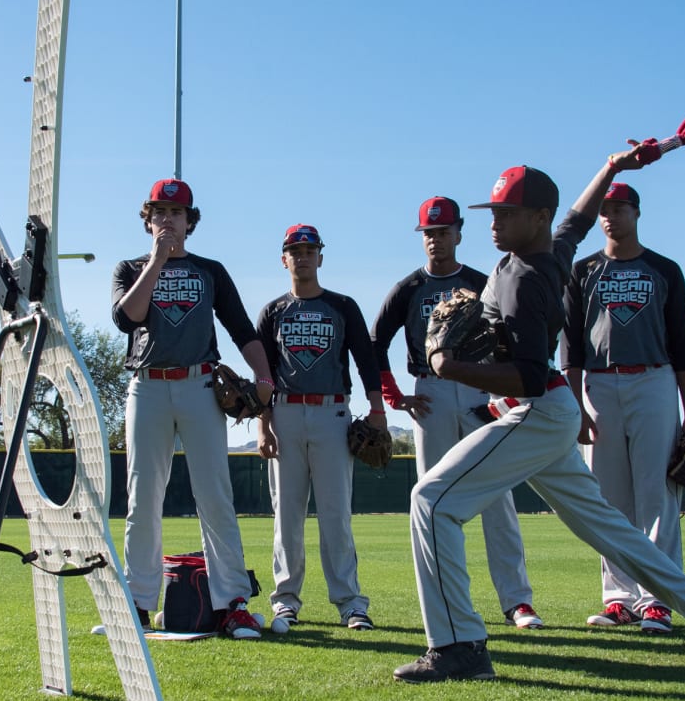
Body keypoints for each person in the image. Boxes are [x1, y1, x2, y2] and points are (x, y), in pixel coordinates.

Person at [394, 148, 685, 683]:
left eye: (506, 213)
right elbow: (577, 219)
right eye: (493, 212)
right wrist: (612, 168)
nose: (495, 222)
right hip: (548, 409)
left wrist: (450, 366)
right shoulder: (551, 249)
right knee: (606, 526)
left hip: (537, 408)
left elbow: (531, 375)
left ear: (536, 218)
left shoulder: (527, 279)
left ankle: (459, 646)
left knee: (432, 501)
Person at [371, 196, 545, 631]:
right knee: (433, 497)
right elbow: (374, 343)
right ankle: (449, 600)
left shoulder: (482, 282)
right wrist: (396, 398)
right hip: (428, 393)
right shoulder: (409, 288)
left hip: (478, 390)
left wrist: (505, 389)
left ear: (459, 233)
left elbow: (509, 335)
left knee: (497, 497)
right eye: (429, 233)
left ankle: (517, 601)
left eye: (443, 232)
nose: (436, 240)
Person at [111, 179, 274, 640]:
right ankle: (138, 605)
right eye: (159, 211)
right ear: (147, 219)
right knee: (143, 498)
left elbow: (242, 328)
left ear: (190, 221)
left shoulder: (211, 270)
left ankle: (231, 603)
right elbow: (129, 318)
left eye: (176, 212)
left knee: (215, 496)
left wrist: (265, 381)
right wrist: (158, 261)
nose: (167, 219)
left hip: (201, 384)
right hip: (147, 386)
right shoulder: (130, 267)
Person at [563, 183, 685, 635]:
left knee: (657, 494)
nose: (610, 217)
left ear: (637, 213)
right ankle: (619, 598)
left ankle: (658, 599)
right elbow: (573, 347)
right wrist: (575, 404)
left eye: (619, 208)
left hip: (653, 378)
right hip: (599, 384)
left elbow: (683, 347)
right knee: (609, 500)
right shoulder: (582, 271)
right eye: (604, 210)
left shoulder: (664, 269)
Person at [255, 224, 383, 631]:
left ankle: (349, 602)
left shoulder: (343, 306)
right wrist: (263, 425)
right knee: (286, 515)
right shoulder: (272, 311)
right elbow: (264, 375)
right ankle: (285, 600)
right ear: (284, 259)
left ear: (321, 258)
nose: (303, 256)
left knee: (335, 515)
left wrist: (378, 409)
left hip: (332, 413)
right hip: (285, 412)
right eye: (296, 250)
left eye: (310, 249)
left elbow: (366, 358)